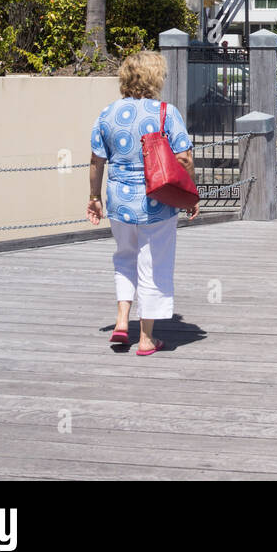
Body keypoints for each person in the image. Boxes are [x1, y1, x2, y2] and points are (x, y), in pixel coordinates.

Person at [87, 51, 199, 355]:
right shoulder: (165, 112)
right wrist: (191, 193)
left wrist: (94, 197)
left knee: (124, 257)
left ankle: (122, 320)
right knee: (153, 263)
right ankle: (147, 338)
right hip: (157, 202)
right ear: (155, 78)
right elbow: (184, 157)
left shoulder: (107, 113)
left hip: (119, 201)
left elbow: (97, 160)